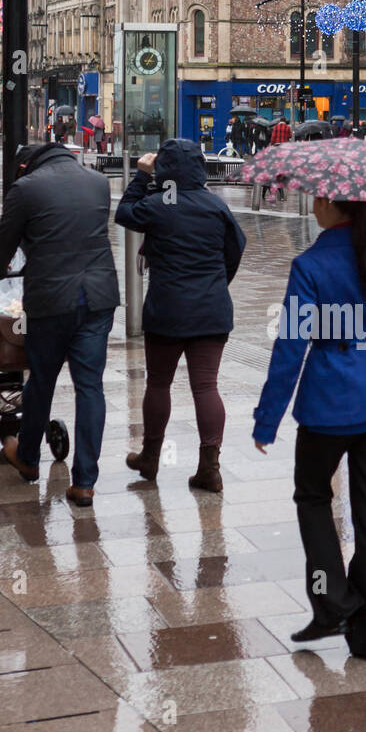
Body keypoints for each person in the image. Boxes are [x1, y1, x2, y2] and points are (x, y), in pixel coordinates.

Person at [253, 198, 366, 662]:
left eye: (319, 199)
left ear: (332, 204)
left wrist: (268, 419)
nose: (313, 206)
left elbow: (290, 347)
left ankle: (333, 602)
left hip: (328, 407)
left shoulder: (311, 265)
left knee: (313, 496)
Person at [0, 143, 119, 505]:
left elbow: (3, 247)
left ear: (25, 165)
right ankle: (84, 483)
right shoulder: (98, 182)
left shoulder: (25, 189)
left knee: (41, 380)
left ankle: (28, 459)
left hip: (50, 302)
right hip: (98, 298)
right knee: (90, 387)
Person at [115, 139, 246, 489]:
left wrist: (142, 177)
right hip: (211, 310)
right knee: (206, 386)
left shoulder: (158, 204)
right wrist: (216, 284)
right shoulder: (216, 206)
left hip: (167, 310)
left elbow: (124, 213)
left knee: (158, 383)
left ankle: (151, 458)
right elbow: (235, 250)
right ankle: (210, 467)